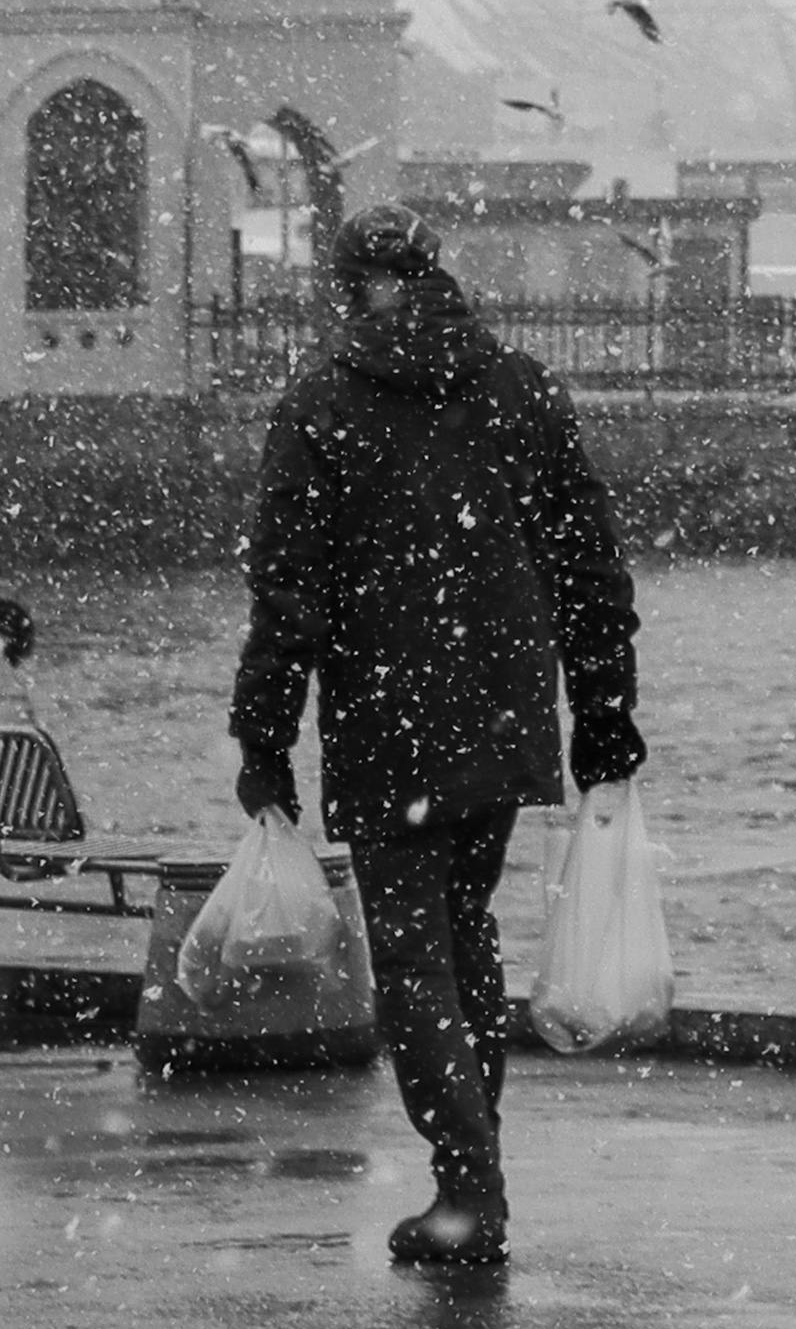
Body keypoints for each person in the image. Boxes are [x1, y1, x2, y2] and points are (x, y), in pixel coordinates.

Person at [228, 203, 646, 1269]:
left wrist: (264, 742)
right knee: (463, 933)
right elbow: (589, 564)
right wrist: (603, 712)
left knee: (417, 955)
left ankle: (468, 1186)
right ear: (435, 274)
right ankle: (471, 1171)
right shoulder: (518, 387)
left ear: (347, 286)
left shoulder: (322, 403)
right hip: (504, 703)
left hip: (385, 710)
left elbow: (287, 595)